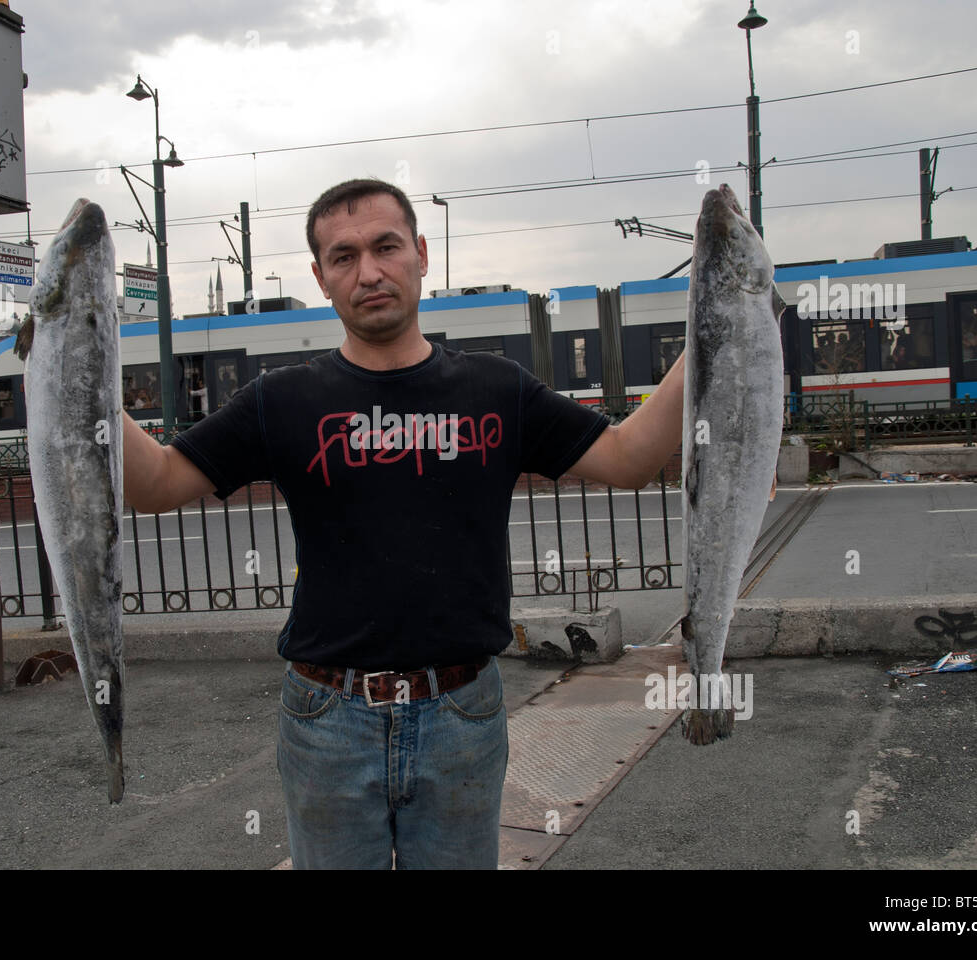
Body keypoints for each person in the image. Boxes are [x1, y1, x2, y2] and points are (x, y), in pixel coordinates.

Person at [120, 178, 685, 869]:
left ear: (420, 253)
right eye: (343, 256)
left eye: (386, 247)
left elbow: (630, 459)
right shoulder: (282, 401)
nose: (369, 271)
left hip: (461, 714)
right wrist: (69, 358)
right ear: (321, 278)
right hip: (326, 719)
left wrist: (719, 324)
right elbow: (152, 484)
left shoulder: (496, 389)